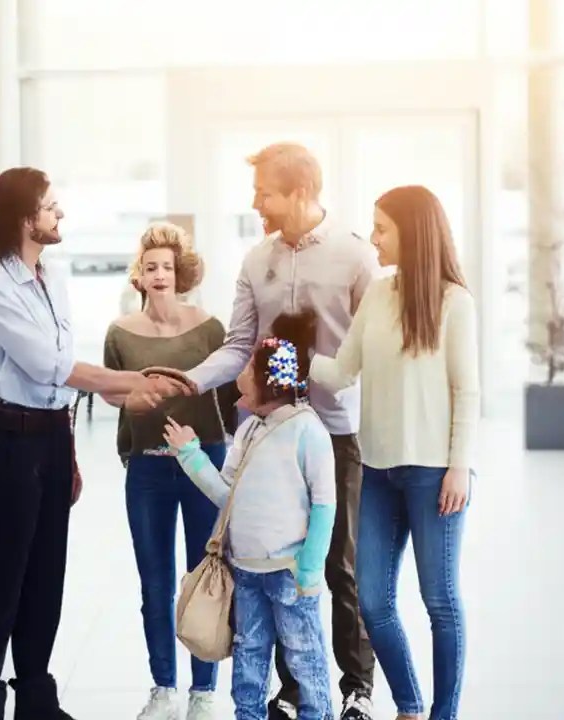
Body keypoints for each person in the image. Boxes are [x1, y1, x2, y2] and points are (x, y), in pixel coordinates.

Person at [130, 142, 379, 720]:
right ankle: (292, 693)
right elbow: (240, 345)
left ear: (299, 191)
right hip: (265, 434)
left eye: (265, 191)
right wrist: (190, 380)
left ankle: (356, 689)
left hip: (331, 430)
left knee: (334, 561)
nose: (256, 202)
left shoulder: (353, 257)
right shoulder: (255, 260)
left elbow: (373, 350)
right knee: (270, 560)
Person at [0, 167, 190, 720]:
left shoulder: (52, 277)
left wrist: (69, 448)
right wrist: (130, 381)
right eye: (50, 207)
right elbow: (50, 365)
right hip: (10, 440)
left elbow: (59, 377)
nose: (59, 215)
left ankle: (37, 701)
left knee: (46, 575)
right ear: (23, 218)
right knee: (3, 578)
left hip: (47, 438)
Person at [309, 185, 478, 720]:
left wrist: (458, 467)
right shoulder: (379, 294)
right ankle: (408, 706)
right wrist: (288, 356)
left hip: (435, 476)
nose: (373, 237)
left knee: (440, 602)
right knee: (374, 602)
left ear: (413, 232)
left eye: (381, 227)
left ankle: (442, 713)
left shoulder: (455, 302)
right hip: (377, 470)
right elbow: (340, 372)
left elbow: (467, 391)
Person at [163, 311, 336, 720]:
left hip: (289, 572)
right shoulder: (248, 431)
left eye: (246, 367)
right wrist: (190, 455)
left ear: (265, 381)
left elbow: (325, 505)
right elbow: (227, 495)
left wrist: (309, 571)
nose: (239, 372)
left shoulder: (308, 431)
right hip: (246, 570)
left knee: (305, 658)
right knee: (249, 655)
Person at [101, 222, 227, 720]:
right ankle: (164, 690)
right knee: (153, 581)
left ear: (182, 274)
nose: (159, 275)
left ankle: (203, 693)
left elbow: (230, 393)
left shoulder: (210, 326)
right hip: (148, 470)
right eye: (150, 267)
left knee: (204, 576)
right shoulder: (120, 332)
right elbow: (110, 390)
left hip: (204, 466)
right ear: (139, 275)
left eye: (167, 267)